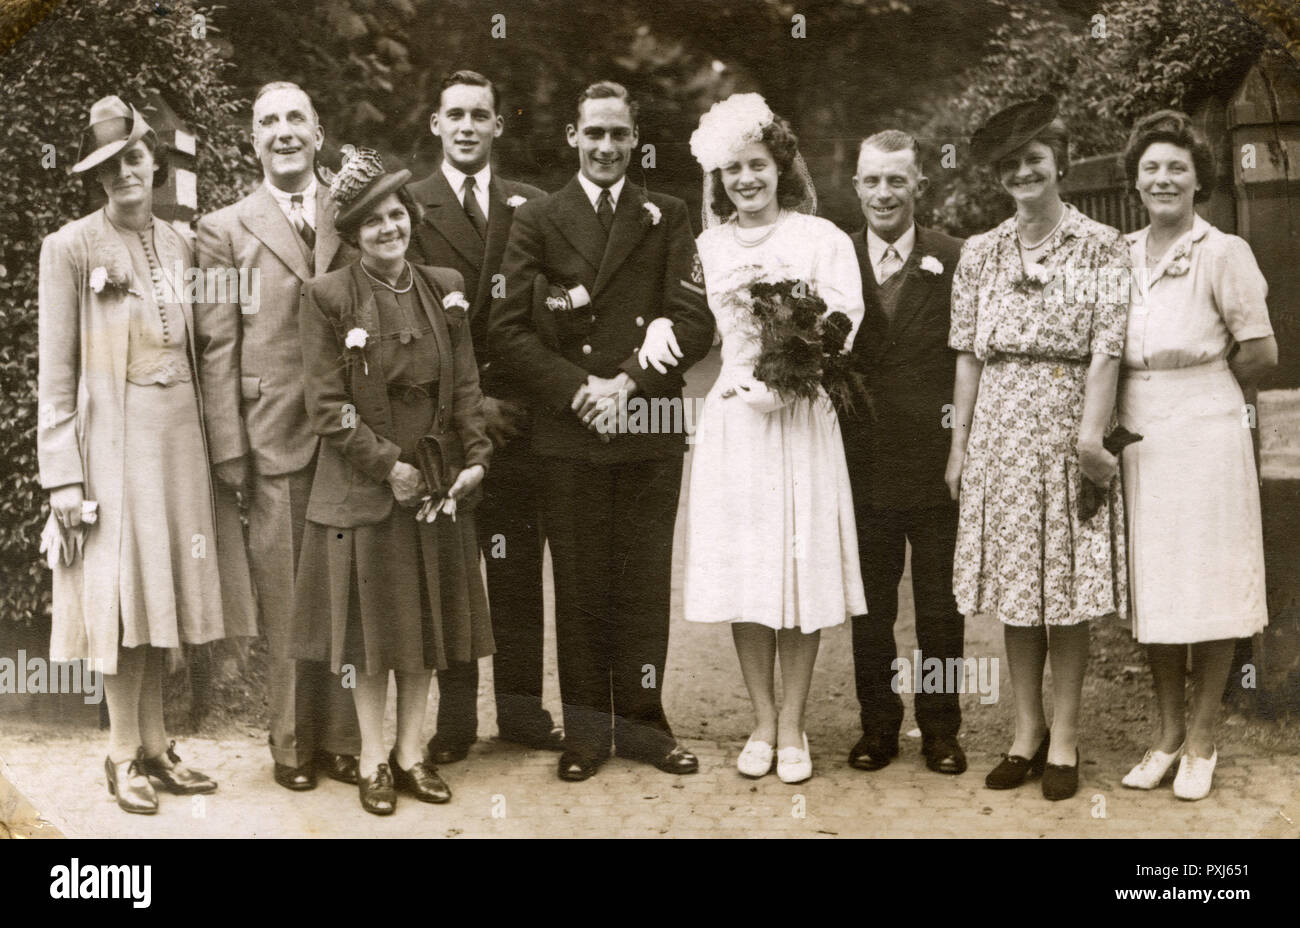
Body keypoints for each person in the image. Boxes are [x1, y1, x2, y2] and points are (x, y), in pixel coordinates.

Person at [490, 81, 715, 782]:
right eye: (595, 134)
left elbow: (693, 318)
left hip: (648, 422)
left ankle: (645, 725)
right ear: (572, 137)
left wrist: (629, 383)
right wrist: (579, 388)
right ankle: (586, 730)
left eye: (619, 134)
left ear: (635, 138)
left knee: (645, 580)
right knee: (582, 583)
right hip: (572, 429)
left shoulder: (667, 214)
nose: (607, 147)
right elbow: (508, 329)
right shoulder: (539, 217)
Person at [38, 96, 255, 814]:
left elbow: (209, 342)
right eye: (107, 165)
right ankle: (120, 753)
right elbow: (56, 375)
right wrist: (63, 477)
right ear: (96, 176)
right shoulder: (69, 248)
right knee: (124, 603)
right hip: (113, 450)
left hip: (180, 444)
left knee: (162, 598)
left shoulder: (183, 242)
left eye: (132, 157)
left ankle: (159, 749)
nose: (123, 172)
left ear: (153, 160)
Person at [293, 149, 494, 815]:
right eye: (372, 220)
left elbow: (465, 385)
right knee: (373, 637)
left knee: (425, 629)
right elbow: (327, 407)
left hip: (436, 483)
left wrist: (475, 458)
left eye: (396, 213)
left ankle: (412, 755)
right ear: (352, 234)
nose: (390, 227)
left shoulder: (443, 285)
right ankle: (374, 760)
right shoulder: (328, 297)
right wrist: (388, 465)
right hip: (366, 486)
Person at [946, 95, 1130, 801]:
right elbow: (966, 355)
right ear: (999, 177)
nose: (1024, 172)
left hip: (1065, 429)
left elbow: (1106, 348)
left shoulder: (1099, 246)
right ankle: (1024, 734)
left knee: (1067, 596)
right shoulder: (982, 252)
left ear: (1060, 165)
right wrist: (959, 447)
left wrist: (1089, 437)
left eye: (1035, 160)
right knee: (1019, 594)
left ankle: (1066, 738)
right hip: (999, 431)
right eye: (1011, 165)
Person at [682, 93, 866, 784]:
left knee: (797, 567)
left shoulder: (822, 240)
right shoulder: (707, 245)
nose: (745, 180)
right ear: (719, 179)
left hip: (799, 417)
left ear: (780, 166)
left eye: (756, 165)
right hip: (734, 419)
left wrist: (789, 381)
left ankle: (794, 725)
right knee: (748, 571)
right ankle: (761, 719)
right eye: (732, 170)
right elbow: (690, 320)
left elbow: (842, 327)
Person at [196, 81, 361, 792]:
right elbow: (214, 345)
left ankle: (349, 739)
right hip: (273, 433)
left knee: (350, 587)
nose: (284, 131)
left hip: (352, 431)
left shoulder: (352, 210)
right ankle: (293, 745)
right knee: (289, 594)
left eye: (298, 117)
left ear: (319, 133)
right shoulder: (223, 228)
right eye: (269, 122)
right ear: (252, 139)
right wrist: (230, 446)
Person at [1116, 110, 1276, 801]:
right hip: (1139, 431)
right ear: (1136, 179)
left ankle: (1205, 736)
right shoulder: (1118, 253)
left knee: (1209, 583)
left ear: (1198, 177)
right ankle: (1166, 734)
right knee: (1157, 586)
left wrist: (1205, 400)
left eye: (1177, 165)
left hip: (1206, 425)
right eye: (1151, 166)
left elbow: (1262, 351)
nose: (1163, 178)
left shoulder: (1223, 251)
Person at [406, 70, 559, 763]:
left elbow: (549, 320)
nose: (467, 126)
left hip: (522, 424)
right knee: (454, 576)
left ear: (499, 125)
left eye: (481, 115)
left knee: (518, 569)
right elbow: (403, 320)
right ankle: (456, 723)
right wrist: (466, 409)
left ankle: (523, 713)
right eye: (455, 115)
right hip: (447, 428)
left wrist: (518, 401)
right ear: (436, 125)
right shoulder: (409, 207)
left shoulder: (535, 205)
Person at [840, 130, 967, 776]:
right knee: (871, 607)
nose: (884, 193)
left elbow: (971, 362)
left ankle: (941, 729)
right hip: (859, 466)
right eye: (872, 180)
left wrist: (962, 448)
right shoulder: (834, 262)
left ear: (919, 184)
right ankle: (877, 726)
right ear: (856, 186)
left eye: (897, 180)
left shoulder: (954, 257)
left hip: (935, 464)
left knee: (941, 607)